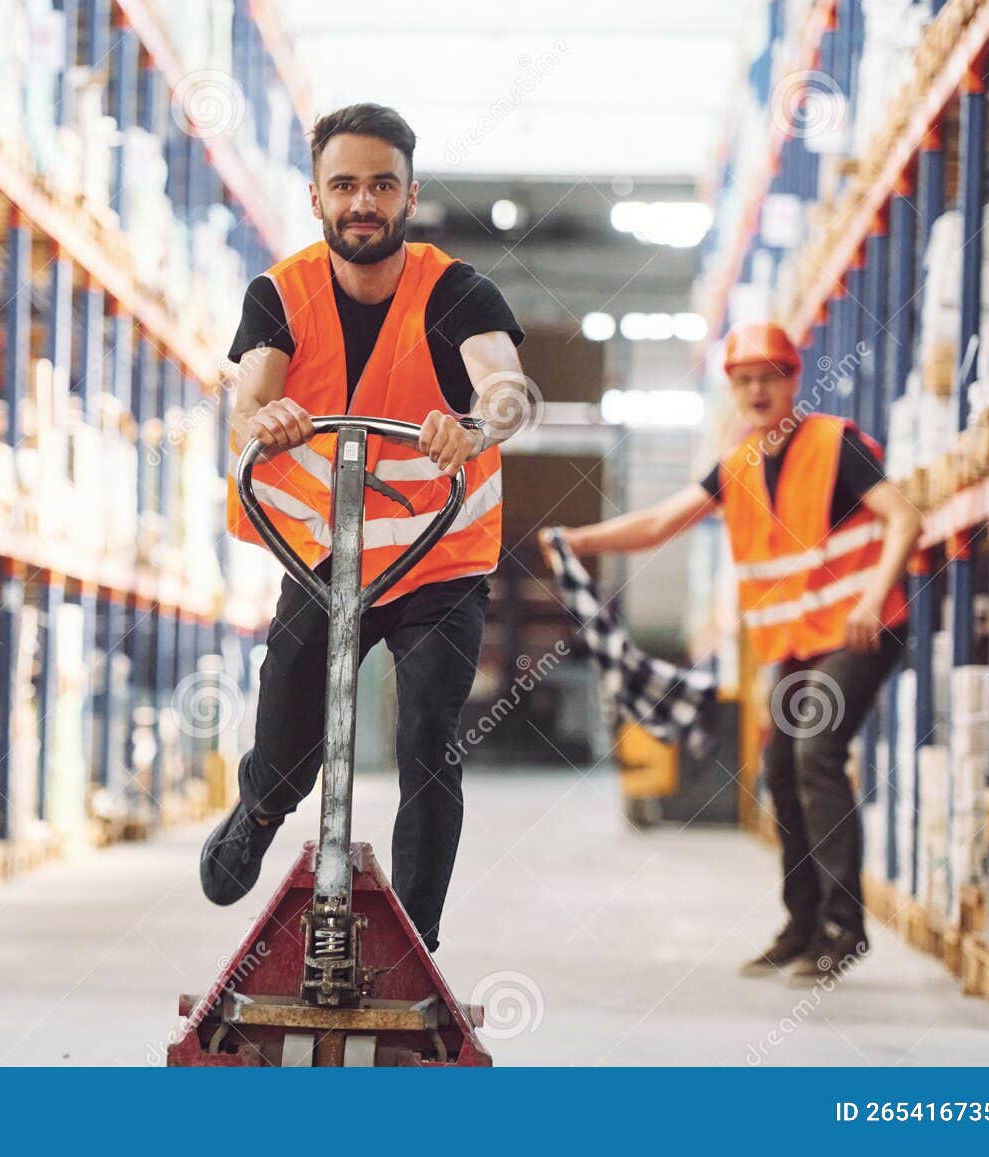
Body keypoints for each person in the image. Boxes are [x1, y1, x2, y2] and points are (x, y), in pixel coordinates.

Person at [199, 103, 528, 953]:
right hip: (324, 559)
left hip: (436, 559)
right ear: (316, 197)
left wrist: (478, 425)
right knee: (289, 747)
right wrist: (260, 421)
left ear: (409, 194)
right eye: (344, 184)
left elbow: (507, 385)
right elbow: (249, 395)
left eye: (382, 185)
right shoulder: (280, 292)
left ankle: (415, 940)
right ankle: (261, 806)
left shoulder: (457, 291)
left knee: (428, 736)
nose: (363, 203)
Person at [544, 322, 922, 985]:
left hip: (866, 628)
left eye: (768, 376)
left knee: (815, 750)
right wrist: (582, 540)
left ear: (791, 380)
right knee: (780, 764)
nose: (756, 389)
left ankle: (843, 927)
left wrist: (872, 599)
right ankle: (801, 924)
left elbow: (905, 518)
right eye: (744, 379)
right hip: (805, 643)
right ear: (732, 388)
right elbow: (661, 522)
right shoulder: (739, 466)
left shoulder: (835, 444)